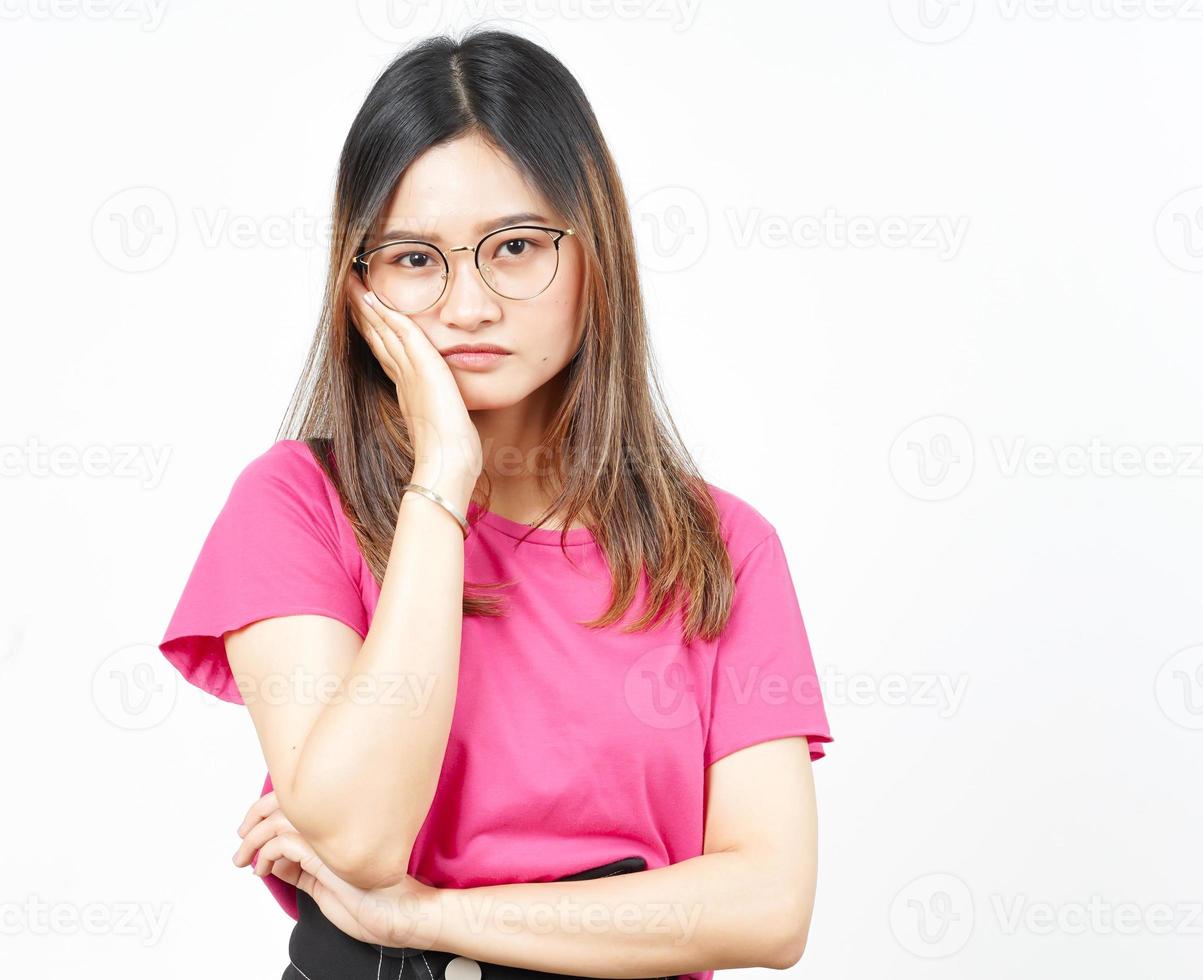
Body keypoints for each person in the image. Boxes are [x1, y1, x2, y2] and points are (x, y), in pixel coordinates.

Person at [156, 28, 833, 980]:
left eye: (515, 247)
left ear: (597, 256)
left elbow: (768, 908)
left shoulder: (719, 547)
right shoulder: (298, 505)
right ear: (358, 286)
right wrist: (442, 476)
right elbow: (356, 841)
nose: (467, 305)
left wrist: (428, 917)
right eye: (415, 258)